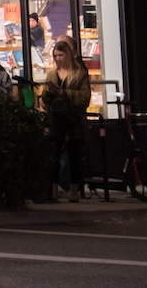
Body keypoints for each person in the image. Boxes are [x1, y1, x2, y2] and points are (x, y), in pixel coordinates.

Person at [41, 37, 91, 202]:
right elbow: (44, 100)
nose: (58, 59)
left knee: (74, 156)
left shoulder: (79, 74)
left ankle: (74, 191)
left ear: (68, 55)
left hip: (73, 120)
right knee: (54, 156)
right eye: (55, 55)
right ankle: (54, 191)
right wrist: (48, 93)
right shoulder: (52, 74)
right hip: (56, 120)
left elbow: (85, 97)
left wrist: (65, 93)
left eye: (61, 55)